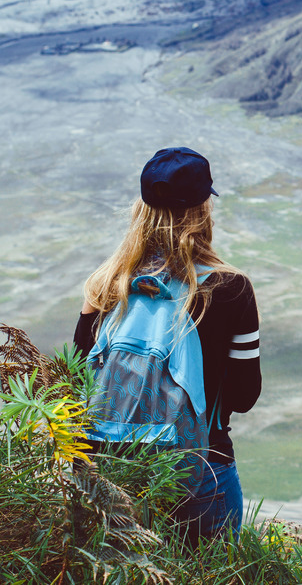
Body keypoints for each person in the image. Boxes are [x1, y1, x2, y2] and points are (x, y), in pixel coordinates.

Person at [73, 147, 261, 543]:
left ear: (142, 209)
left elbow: (77, 376)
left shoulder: (105, 285)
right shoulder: (230, 288)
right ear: (203, 207)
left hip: (110, 473)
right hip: (202, 469)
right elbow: (244, 396)